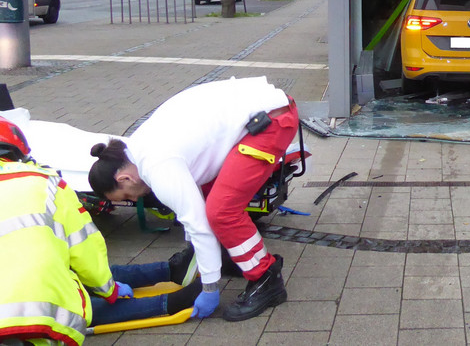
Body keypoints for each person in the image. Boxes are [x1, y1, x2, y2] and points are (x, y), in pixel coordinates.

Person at [87, 76, 299, 321]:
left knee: (222, 211)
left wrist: (209, 288)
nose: (133, 199)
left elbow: (197, 223)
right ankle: (230, 256)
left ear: (124, 179)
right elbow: (191, 209)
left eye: (125, 196)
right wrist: (202, 258)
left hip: (272, 119)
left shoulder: (157, 166)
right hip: (260, 110)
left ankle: (266, 279)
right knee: (212, 198)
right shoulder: (137, 148)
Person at [0, 118, 200, 346]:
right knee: (70, 305)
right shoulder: (46, 183)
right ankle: (172, 302)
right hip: (24, 320)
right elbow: (86, 253)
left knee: (63, 284)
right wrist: (109, 290)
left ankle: (173, 272)